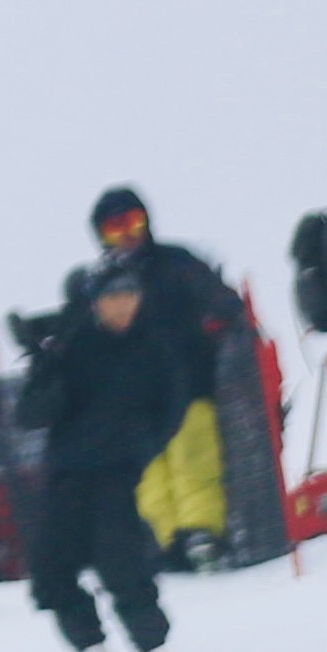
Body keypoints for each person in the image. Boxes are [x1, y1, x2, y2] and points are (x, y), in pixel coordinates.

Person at [16, 260, 187, 652]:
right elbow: (32, 413)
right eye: (113, 296)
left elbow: (172, 405)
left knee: (119, 555)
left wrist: (141, 447)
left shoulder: (154, 345)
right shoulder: (74, 345)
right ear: (95, 303)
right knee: (51, 563)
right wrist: (44, 362)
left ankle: (155, 649)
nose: (123, 304)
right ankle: (91, 650)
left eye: (130, 294)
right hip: (69, 468)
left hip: (118, 467)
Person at [87, 188, 250, 569]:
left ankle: (202, 534)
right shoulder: (100, 283)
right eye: (115, 228)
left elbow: (222, 301)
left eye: (134, 222)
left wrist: (212, 328)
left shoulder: (174, 263)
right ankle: (168, 543)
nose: (127, 234)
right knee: (149, 479)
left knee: (193, 461)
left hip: (186, 383)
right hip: (133, 400)